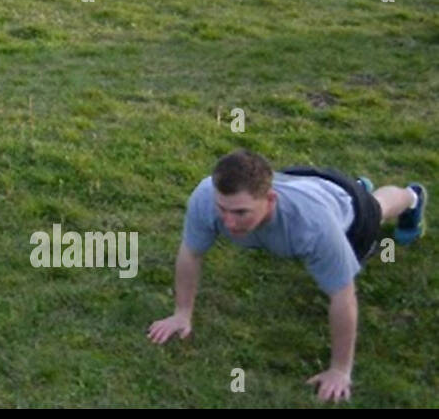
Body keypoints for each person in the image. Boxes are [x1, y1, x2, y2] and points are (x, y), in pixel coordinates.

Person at [149, 148, 427, 403]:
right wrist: (181, 313)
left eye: (240, 212)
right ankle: (355, 189)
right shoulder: (206, 196)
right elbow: (190, 253)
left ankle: (411, 196)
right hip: (303, 180)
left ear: (270, 199)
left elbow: (343, 295)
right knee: (338, 202)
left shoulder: (313, 226)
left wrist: (340, 370)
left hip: (346, 215)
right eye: (222, 209)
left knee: (377, 207)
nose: (228, 222)